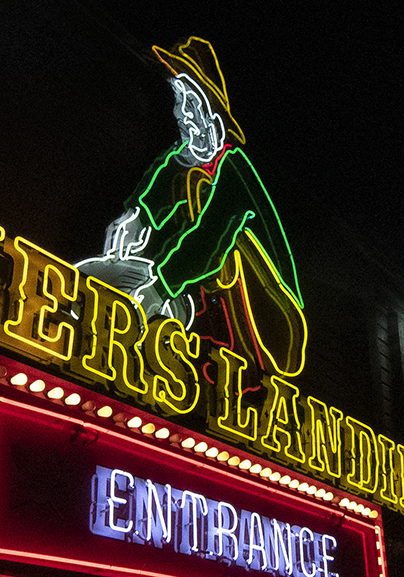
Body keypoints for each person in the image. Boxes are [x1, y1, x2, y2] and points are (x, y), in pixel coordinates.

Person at [77, 38, 308, 379]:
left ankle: (227, 367)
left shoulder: (235, 171)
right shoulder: (187, 159)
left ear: (214, 115)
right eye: (178, 100)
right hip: (198, 297)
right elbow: (159, 187)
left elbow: (208, 237)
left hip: (272, 322)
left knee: (186, 265)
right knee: (103, 274)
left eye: (190, 102)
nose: (181, 113)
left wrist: (159, 289)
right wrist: (136, 217)